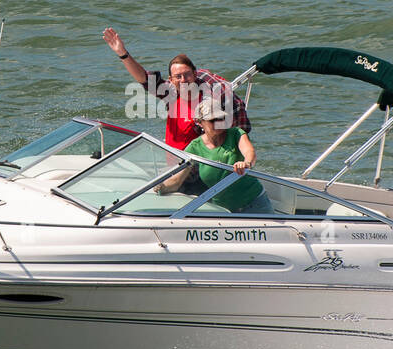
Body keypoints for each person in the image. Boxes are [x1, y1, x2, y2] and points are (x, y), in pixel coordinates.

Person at [103, 27, 250, 151]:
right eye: (178, 77)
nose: (184, 80)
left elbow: (234, 134)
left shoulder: (208, 103)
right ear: (171, 80)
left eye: (187, 75)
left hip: (195, 165)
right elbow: (144, 79)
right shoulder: (171, 94)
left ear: (195, 74)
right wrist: (123, 54)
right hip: (174, 160)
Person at [157, 98, 276, 214]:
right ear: (199, 122)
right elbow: (177, 180)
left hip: (256, 205)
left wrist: (246, 163)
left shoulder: (235, 133)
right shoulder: (194, 147)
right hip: (223, 211)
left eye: (221, 118)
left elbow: (250, 153)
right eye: (213, 120)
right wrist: (160, 187)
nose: (219, 122)